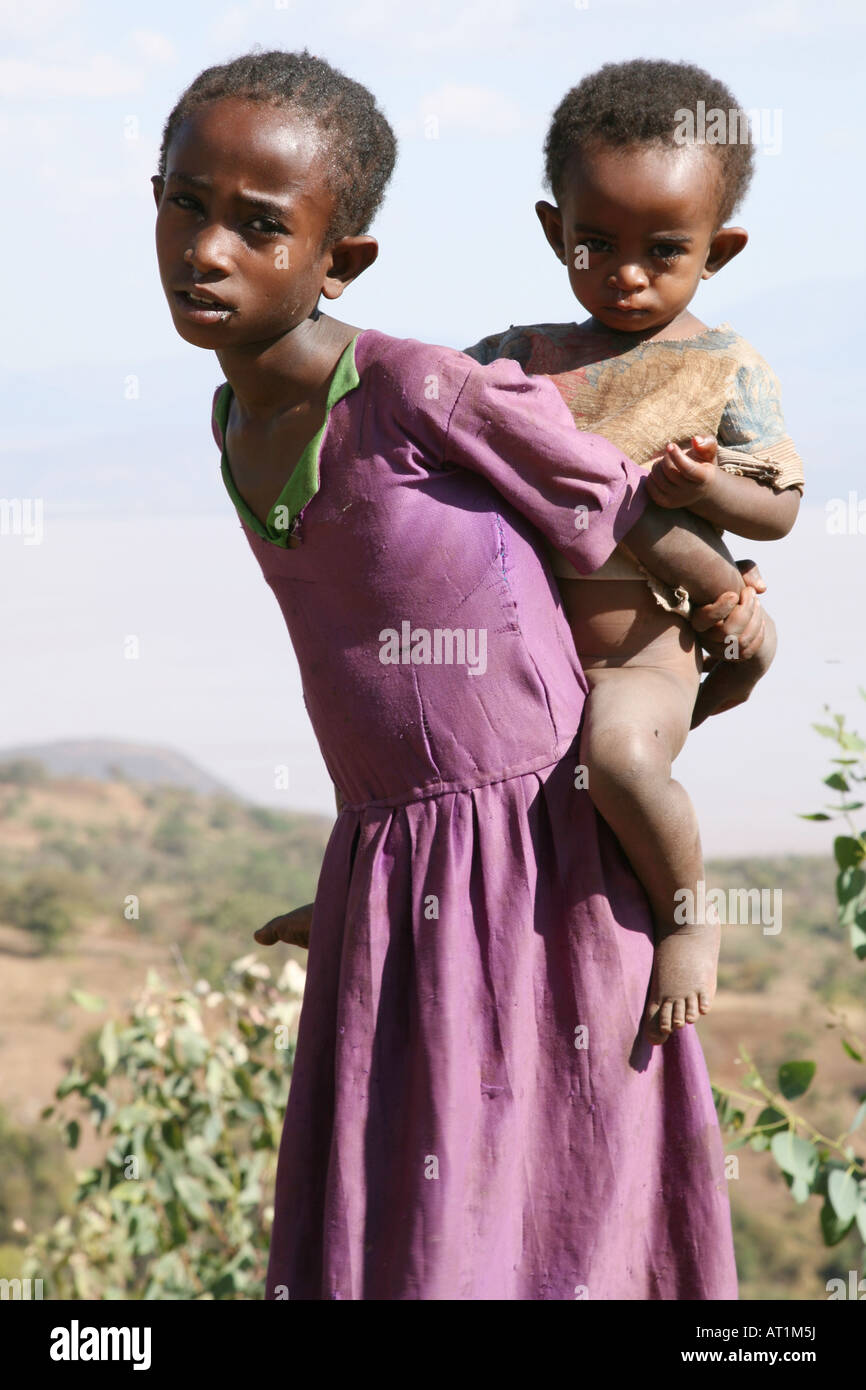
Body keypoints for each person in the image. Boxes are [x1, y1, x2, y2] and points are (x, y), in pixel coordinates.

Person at [153, 49, 756, 1299]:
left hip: (548, 863)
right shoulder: (232, 426)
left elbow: (603, 495)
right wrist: (369, 881)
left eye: (261, 225)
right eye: (185, 204)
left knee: (554, 1223)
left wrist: (724, 600)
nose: (207, 250)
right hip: (400, 876)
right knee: (412, 1241)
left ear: (340, 261)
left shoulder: (414, 386)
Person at [466, 59, 804, 1045]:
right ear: (551, 231)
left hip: (641, 652)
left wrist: (704, 488)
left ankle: (687, 914)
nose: (623, 273)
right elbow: (426, 430)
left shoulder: (721, 367)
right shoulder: (516, 359)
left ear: (718, 249)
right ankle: (363, 909)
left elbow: (777, 508)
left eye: (662, 250)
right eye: (593, 244)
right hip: (518, 657)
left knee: (616, 760)